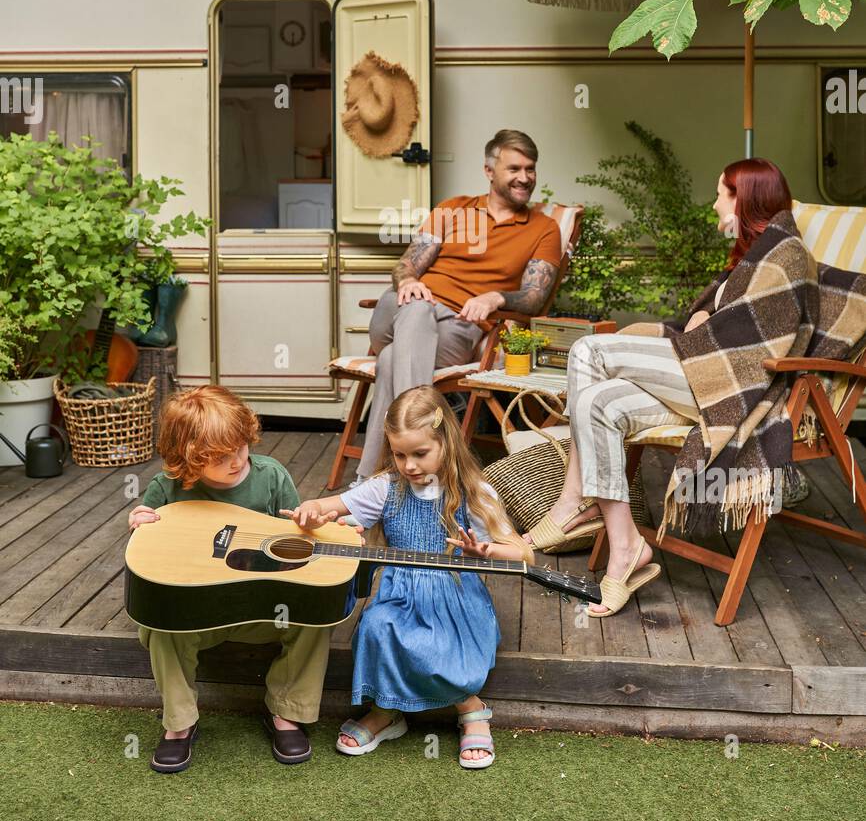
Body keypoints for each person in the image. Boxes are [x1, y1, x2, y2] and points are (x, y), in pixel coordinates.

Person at [523, 159, 820, 617]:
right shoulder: (753, 256)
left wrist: (708, 326)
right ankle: (627, 548)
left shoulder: (787, 253)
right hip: (701, 379)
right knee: (598, 401)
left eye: (721, 193)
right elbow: (727, 321)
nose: (715, 203)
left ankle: (572, 499)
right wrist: (703, 324)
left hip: (733, 385)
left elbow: (765, 334)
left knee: (588, 351)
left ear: (746, 198)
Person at [284, 386, 533, 768]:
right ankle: (387, 712)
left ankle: (471, 707)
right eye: (400, 454)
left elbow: (522, 552)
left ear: (446, 443)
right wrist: (313, 510)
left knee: (437, 644)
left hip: (454, 597)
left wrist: (486, 551)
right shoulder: (387, 487)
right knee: (376, 628)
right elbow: (329, 505)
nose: (409, 465)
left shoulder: (473, 492)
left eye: (420, 453)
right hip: (399, 594)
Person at [129, 385, 353, 773]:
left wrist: (317, 527)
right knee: (160, 626)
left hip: (263, 612)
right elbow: (151, 545)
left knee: (314, 618)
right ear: (189, 458)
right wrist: (141, 522)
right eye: (220, 458)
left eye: (240, 448)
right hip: (197, 616)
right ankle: (179, 724)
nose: (236, 461)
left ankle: (287, 710)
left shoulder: (270, 478)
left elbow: (295, 540)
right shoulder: (167, 487)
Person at [354, 128, 562, 480]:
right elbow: (407, 263)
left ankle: (370, 481)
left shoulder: (544, 229)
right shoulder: (453, 209)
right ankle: (418, 447)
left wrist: (497, 296)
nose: (524, 178)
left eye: (530, 169)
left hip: (457, 328)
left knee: (391, 360)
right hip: (399, 312)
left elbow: (534, 297)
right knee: (417, 309)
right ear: (489, 171)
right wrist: (407, 281)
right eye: (514, 169)